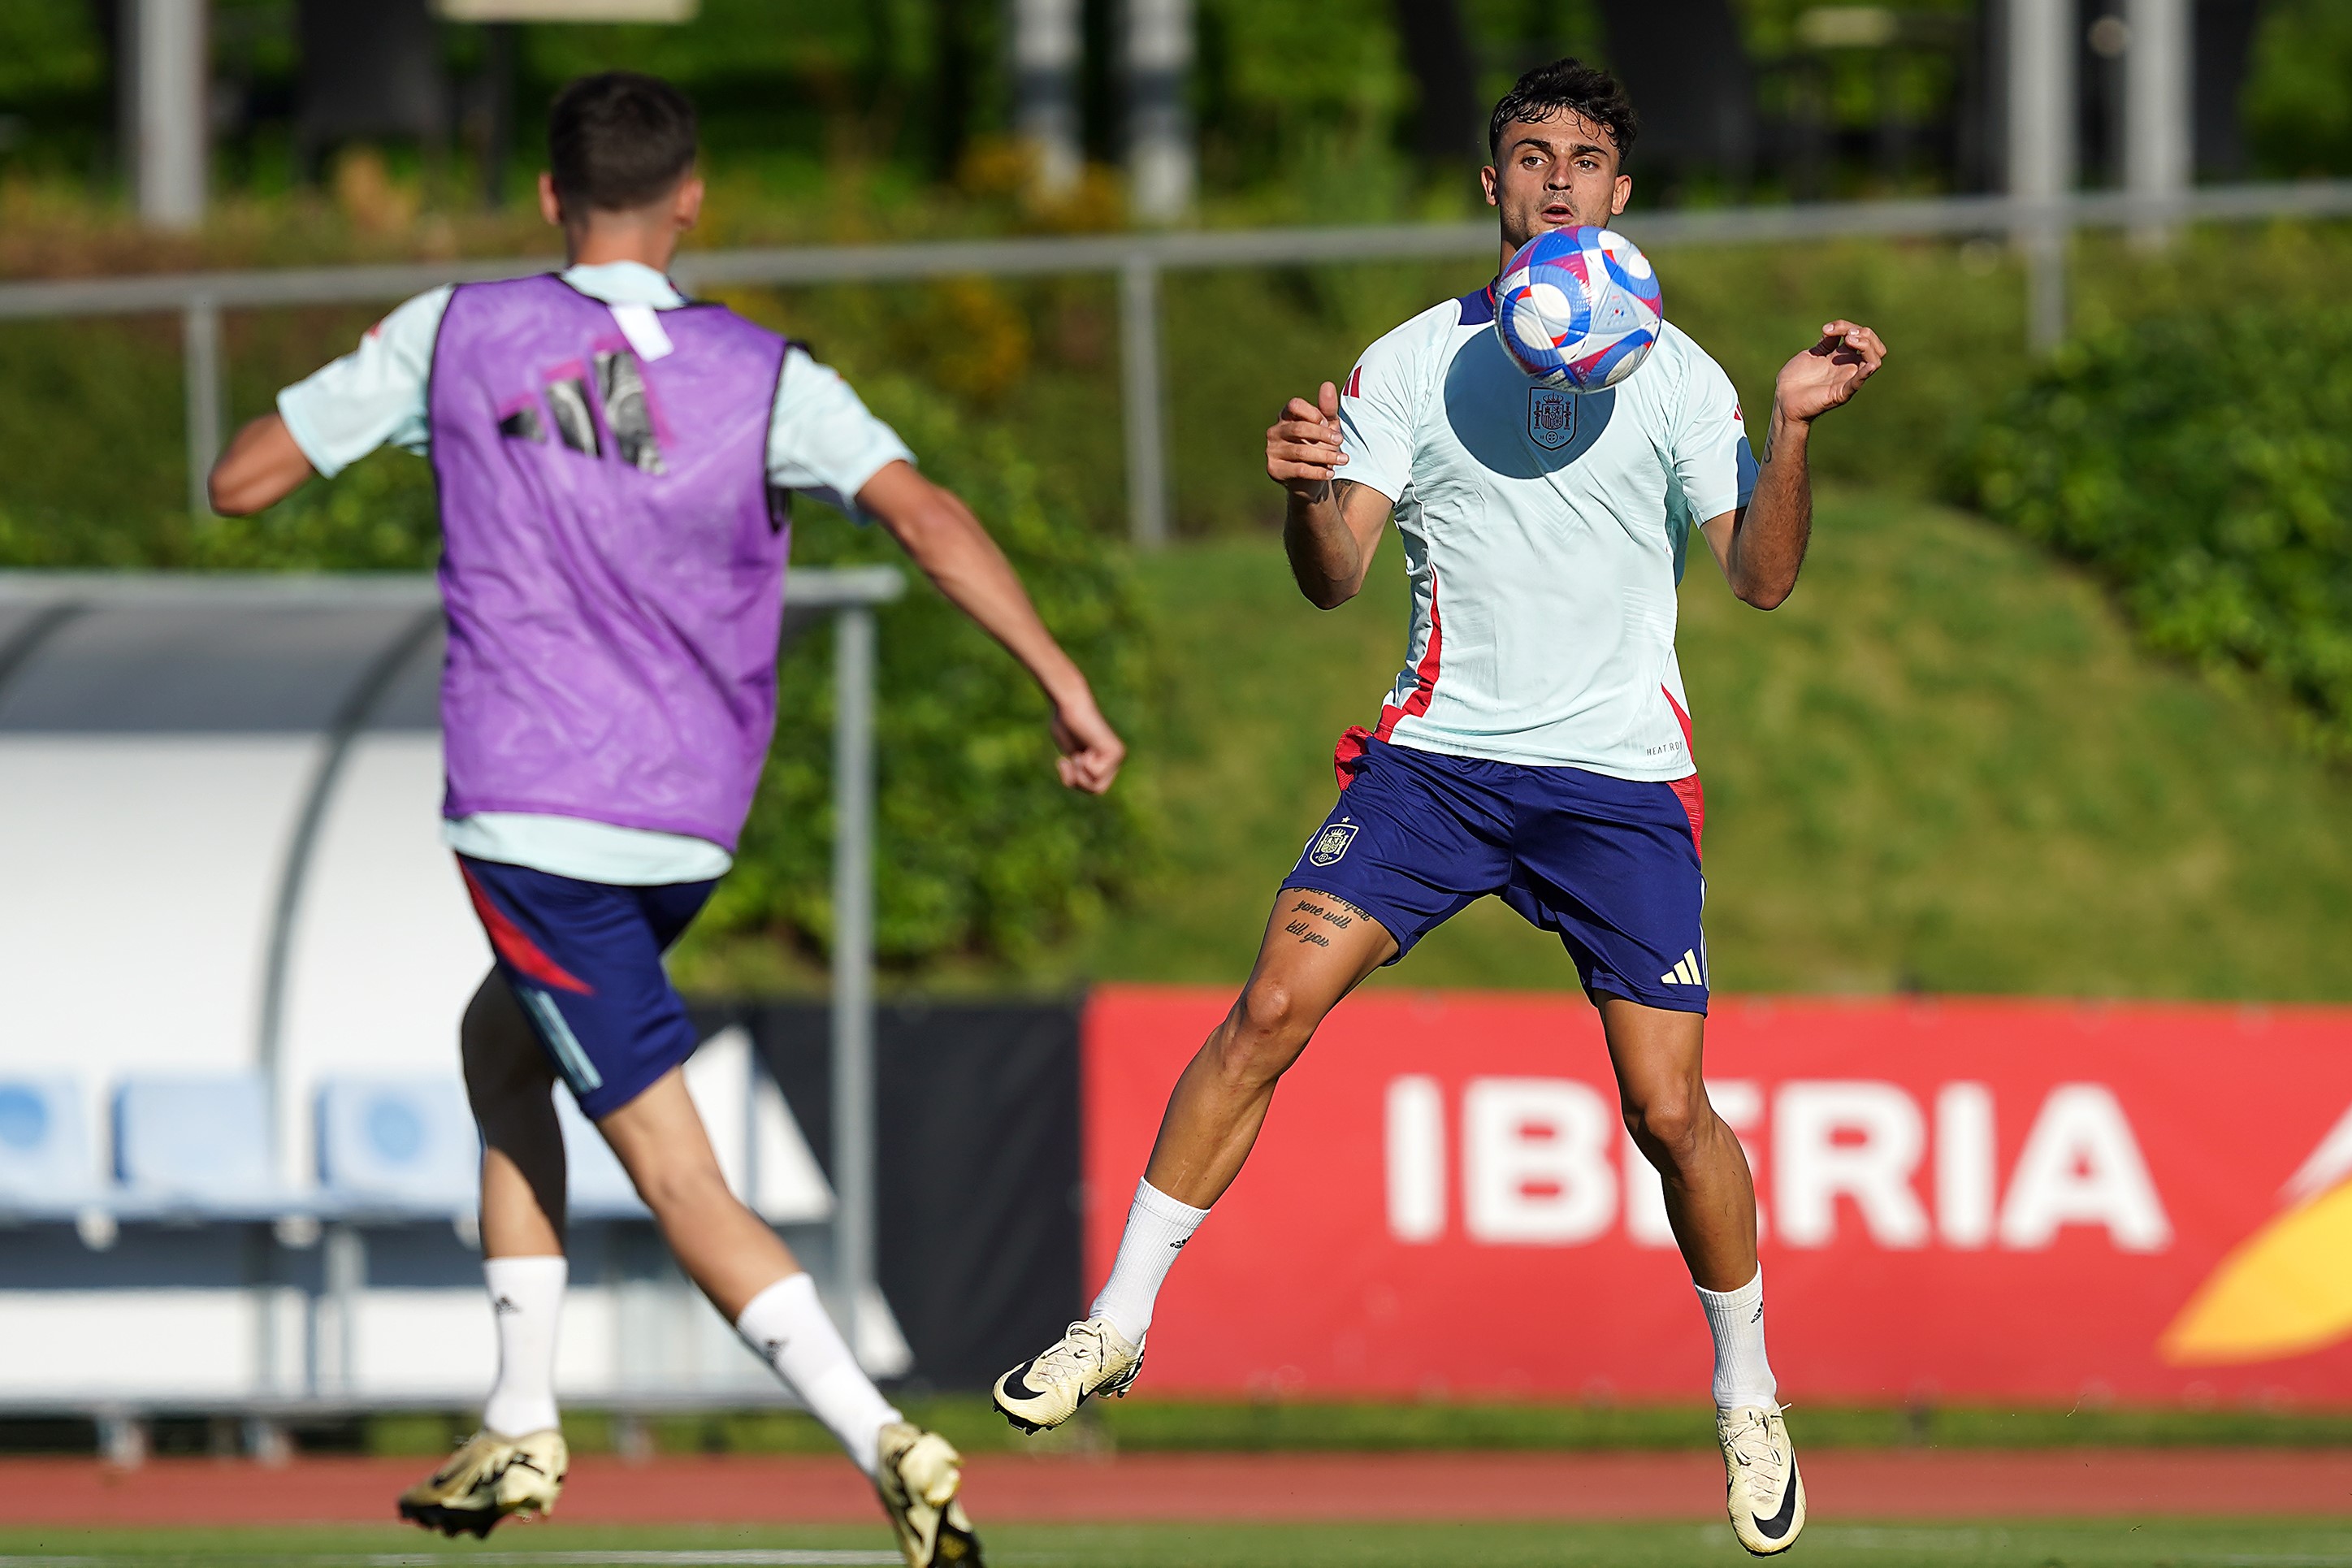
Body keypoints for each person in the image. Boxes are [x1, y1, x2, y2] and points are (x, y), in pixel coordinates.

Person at [210, 71, 1125, 1568]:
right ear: (692, 198)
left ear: (549, 198)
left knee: (674, 1167)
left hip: (532, 814)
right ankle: (519, 1411)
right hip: (688, 827)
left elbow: (242, 480)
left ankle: (878, 1435)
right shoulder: (773, 377)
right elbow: (927, 516)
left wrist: (404, 408)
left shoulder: (456, 331)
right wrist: (1063, 683)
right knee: (503, 1044)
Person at [993, 58, 1883, 1556]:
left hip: (1616, 784)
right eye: (1530, 154)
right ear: (1491, 184)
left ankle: (1747, 1389)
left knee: (1668, 1110)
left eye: (1585, 158)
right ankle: (1115, 1321)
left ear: (1620, 192)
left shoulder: (1680, 374)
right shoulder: (1412, 362)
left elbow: (1763, 578)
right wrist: (1303, 490)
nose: (1556, 178)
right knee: (1269, 1009)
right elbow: (1335, 573)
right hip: (1437, 768)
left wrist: (1792, 428)